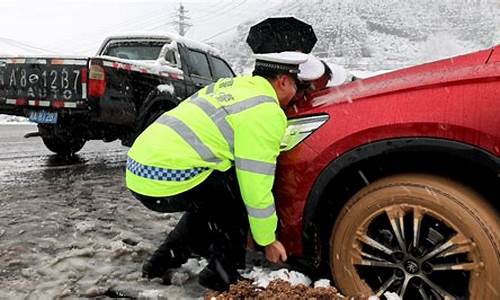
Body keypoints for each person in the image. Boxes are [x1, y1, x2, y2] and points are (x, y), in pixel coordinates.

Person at [125, 51, 323, 291]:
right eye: (298, 88)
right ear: (283, 81)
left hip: (139, 168)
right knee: (235, 192)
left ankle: (159, 264)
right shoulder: (265, 110)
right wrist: (267, 239)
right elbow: (255, 184)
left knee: (209, 202)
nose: (298, 96)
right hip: (165, 175)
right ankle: (221, 272)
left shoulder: (236, 86)